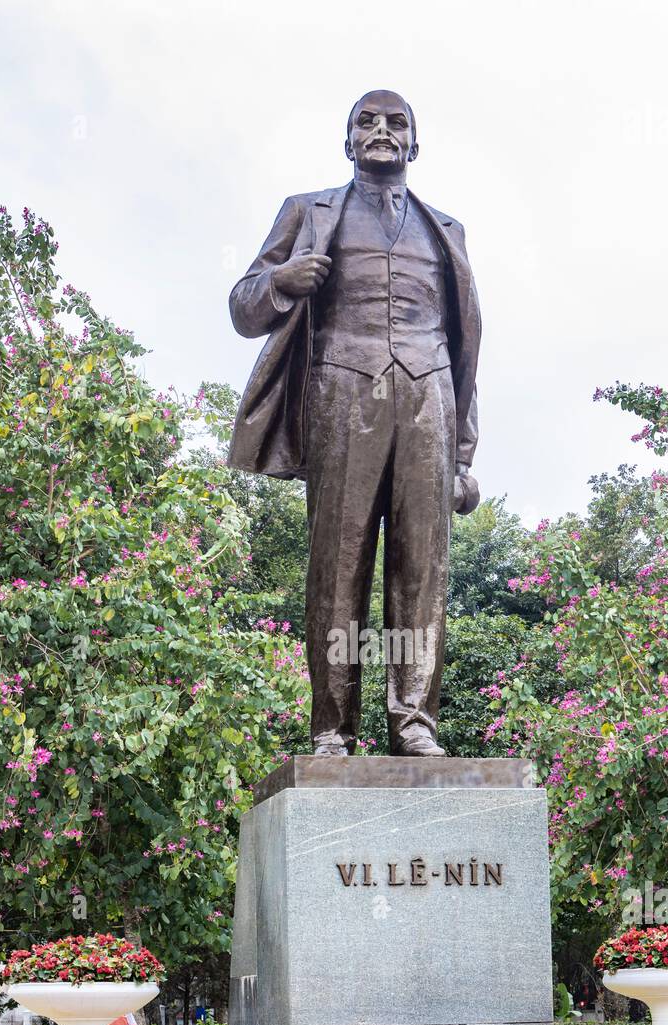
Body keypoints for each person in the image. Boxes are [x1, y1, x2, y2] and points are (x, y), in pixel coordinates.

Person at [228, 89, 481, 757]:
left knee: (422, 569)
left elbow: (466, 347)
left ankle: (414, 724)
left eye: (396, 123)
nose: (381, 131)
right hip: (341, 391)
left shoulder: (447, 229)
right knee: (339, 565)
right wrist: (284, 279)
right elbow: (244, 307)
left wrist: (463, 453)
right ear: (347, 142)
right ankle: (332, 728)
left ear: (414, 145)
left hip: (431, 399)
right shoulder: (306, 212)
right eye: (366, 121)